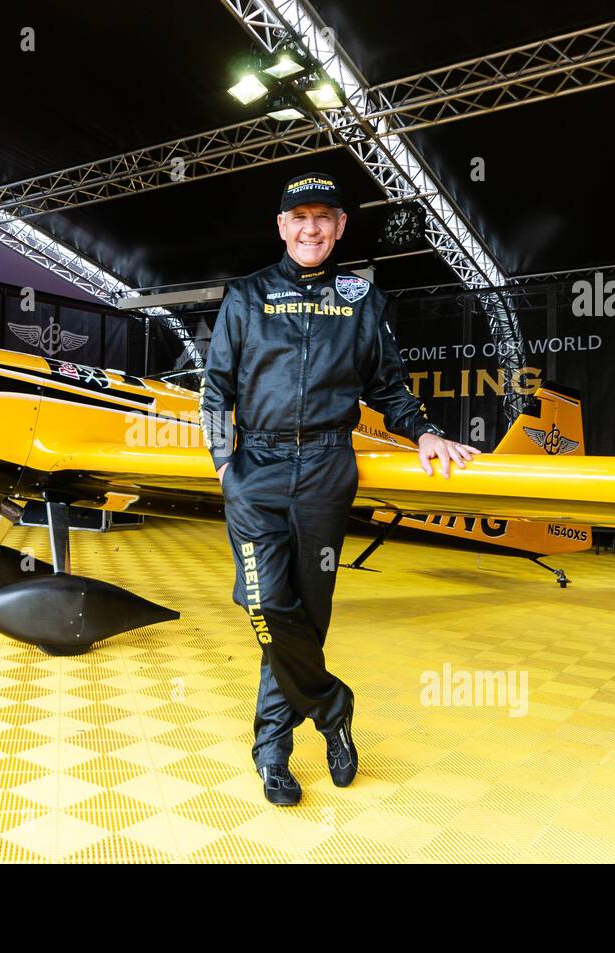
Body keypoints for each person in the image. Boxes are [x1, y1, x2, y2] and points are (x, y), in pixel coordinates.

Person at [200, 171, 480, 806]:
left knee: (309, 612)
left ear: (340, 226)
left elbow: (388, 386)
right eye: (298, 217)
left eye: (323, 217)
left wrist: (425, 434)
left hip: (329, 467)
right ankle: (332, 706)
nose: (310, 227)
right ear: (281, 226)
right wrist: (224, 464)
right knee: (266, 604)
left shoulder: (362, 301)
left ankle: (271, 747)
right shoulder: (246, 295)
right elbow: (216, 389)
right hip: (257, 468)